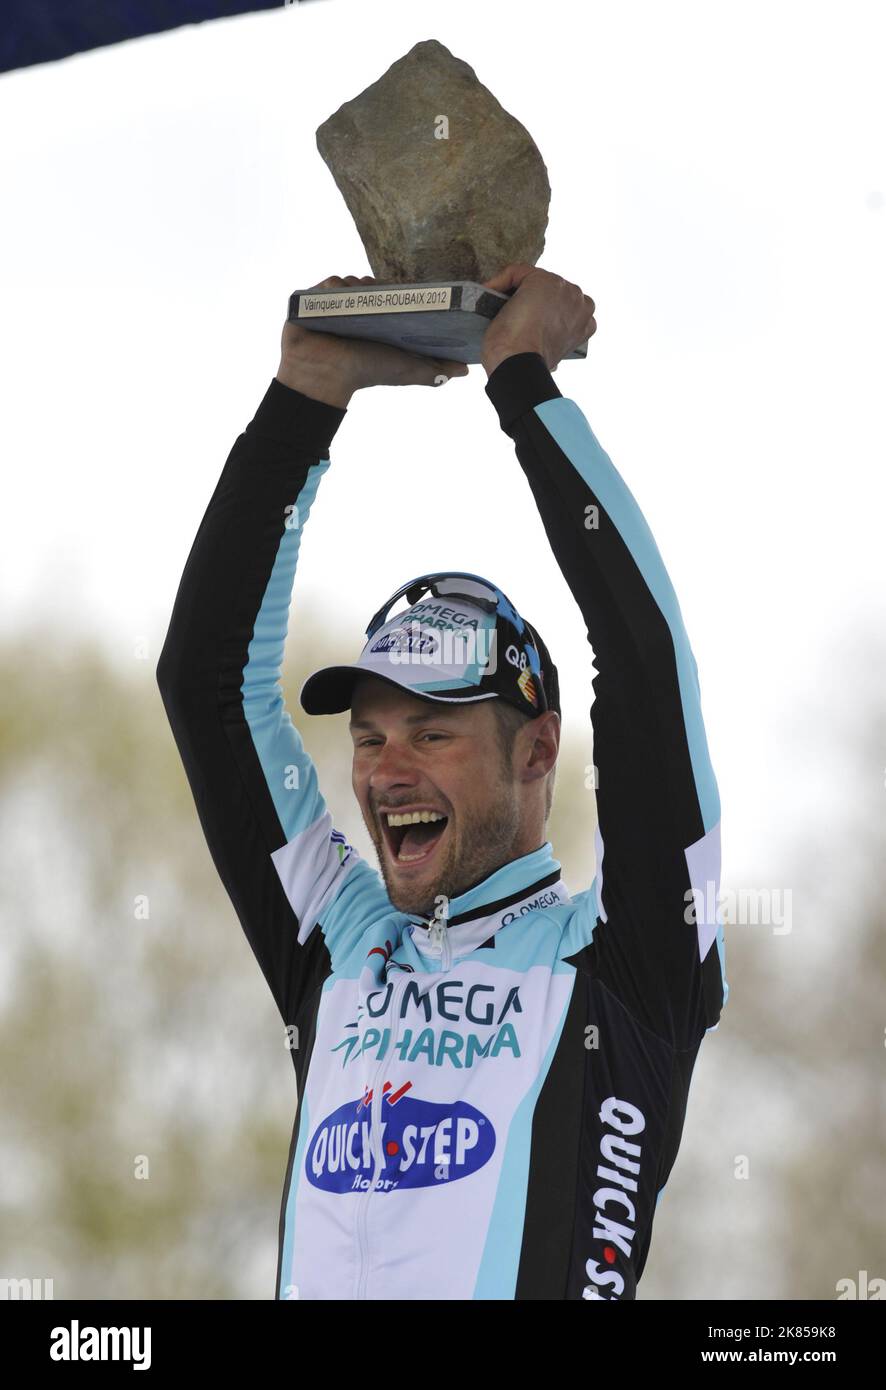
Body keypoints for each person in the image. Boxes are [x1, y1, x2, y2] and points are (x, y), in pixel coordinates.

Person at [156, 264, 728, 1300]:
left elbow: (646, 673)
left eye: (431, 731)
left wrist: (525, 388)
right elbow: (206, 683)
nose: (386, 771)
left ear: (537, 750)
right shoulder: (340, 944)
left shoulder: (624, 960)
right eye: (369, 737)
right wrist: (307, 394)